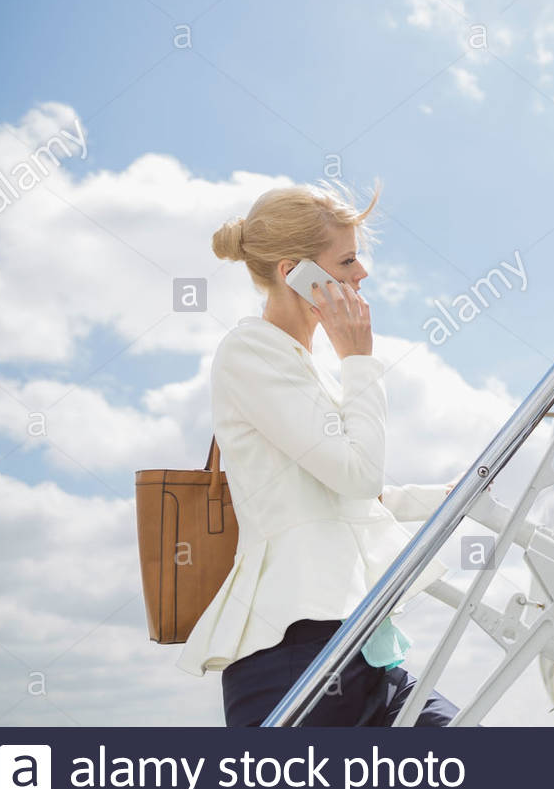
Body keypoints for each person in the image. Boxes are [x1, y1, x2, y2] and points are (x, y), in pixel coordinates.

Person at [176, 180, 462, 727]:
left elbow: (340, 493)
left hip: (362, 642)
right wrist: (358, 358)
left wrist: (442, 498)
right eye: (348, 259)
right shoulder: (249, 351)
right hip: (294, 655)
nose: (363, 273)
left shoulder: (307, 364)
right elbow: (356, 474)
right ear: (293, 273)